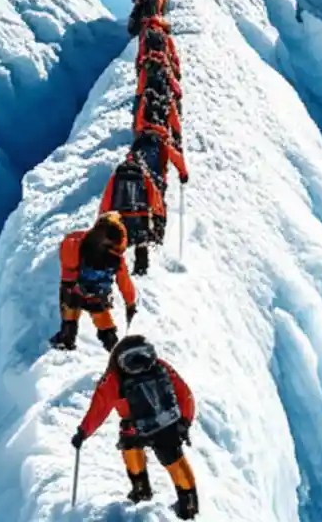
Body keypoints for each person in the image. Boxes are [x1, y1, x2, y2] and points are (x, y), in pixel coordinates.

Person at [71, 335, 198, 518]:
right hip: (167, 424)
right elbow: (184, 393)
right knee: (175, 461)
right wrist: (185, 421)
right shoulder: (160, 366)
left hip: (134, 427)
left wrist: (83, 432)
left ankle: (141, 490)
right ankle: (189, 505)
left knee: (130, 448)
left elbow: (99, 408)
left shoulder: (113, 378)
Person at [49, 212, 137, 352]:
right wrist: (130, 302)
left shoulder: (78, 240)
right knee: (102, 319)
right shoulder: (117, 257)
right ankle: (114, 347)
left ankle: (66, 339)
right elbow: (124, 281)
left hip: (75, 289)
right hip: (98, 295)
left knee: (70, 309)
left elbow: (68, 262)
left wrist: (69, 283)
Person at [98, 154, 165, 276]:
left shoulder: (116, 177)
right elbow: (154, 197)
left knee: (117, 246)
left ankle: (117, 274)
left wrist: (102, 219)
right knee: (141, 245)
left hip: (120, 217)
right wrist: (159, 216)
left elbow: (107, 199)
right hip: (141, 216)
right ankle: (141, 272)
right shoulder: (143, 176)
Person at [132, 125, 188, 195]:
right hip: (158, 182)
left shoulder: (139, 142)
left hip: (138, 181)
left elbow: (131, 157)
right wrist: (183, 174)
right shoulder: (163, 143)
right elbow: (177, 158)